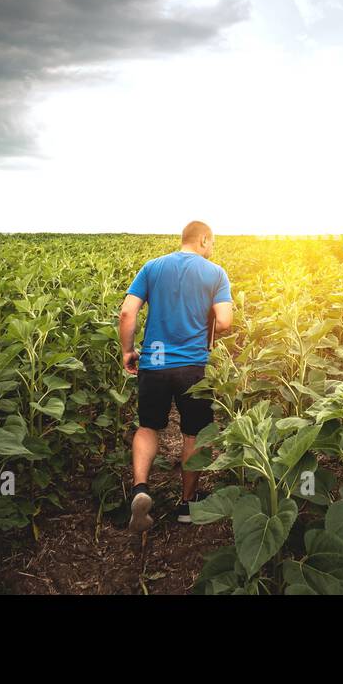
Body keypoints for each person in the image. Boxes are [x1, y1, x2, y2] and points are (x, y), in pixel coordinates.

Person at [119, 221, 233, 533]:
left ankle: (141, 489)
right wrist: (204, 329)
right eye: (212, 244)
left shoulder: (152, 267)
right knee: (194, 433)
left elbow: (127, 313)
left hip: (153, 361)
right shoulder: (215, 273)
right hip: (192, 366)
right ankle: (187, 504)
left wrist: (128, 350)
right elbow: (224, 322)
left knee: (148, 427)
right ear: (205, 239)